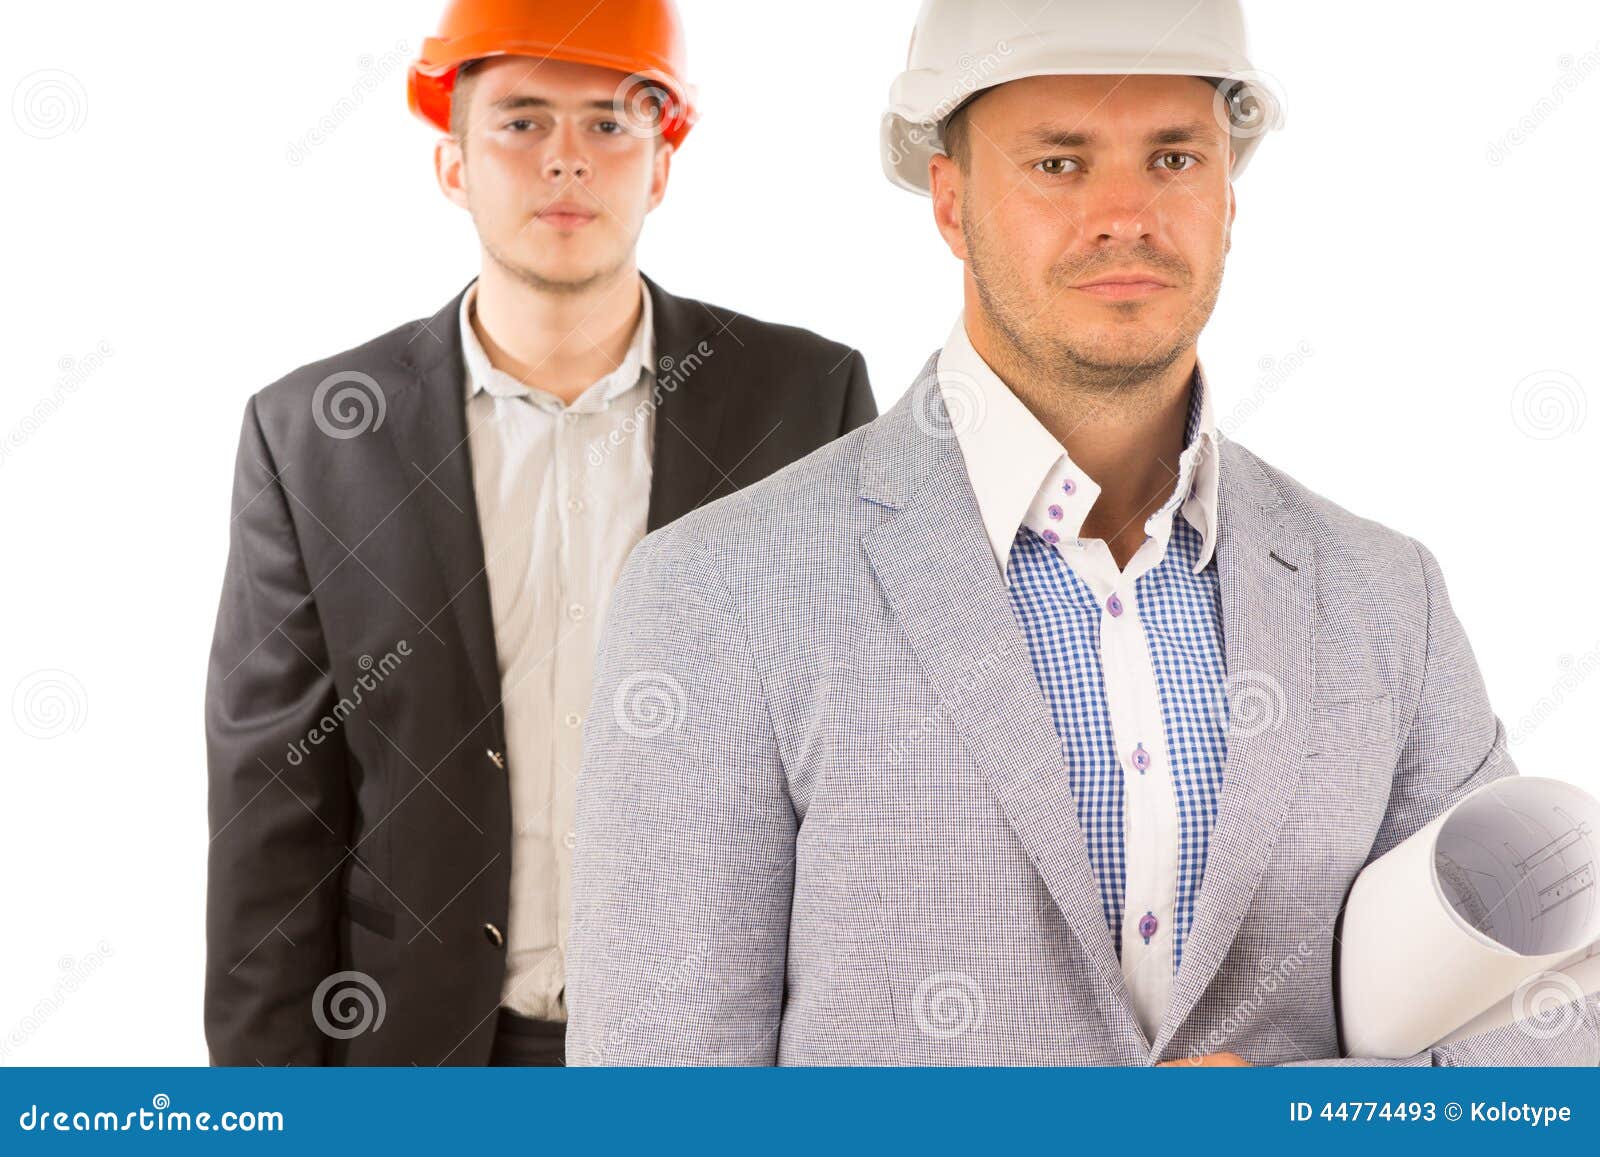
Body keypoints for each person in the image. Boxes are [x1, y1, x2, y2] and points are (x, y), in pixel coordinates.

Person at [565, 0, 1599, 1065]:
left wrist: (1302, 1119)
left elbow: (1549, 1029)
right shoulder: (720, 593)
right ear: (950, 201)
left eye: (1172, 157)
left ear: (1228, 198)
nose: (1126, 215)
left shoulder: (1385, 595)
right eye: (1059, 164)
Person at [204, 0, 875, 1067]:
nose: (567, 160)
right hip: (415, 1059)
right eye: (521, 122)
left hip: (720, 1059)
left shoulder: (803, 402)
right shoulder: (316, 435)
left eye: (611, 123)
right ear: (454, 165)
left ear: (661, 166)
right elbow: (273, 814)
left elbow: (863, 777)